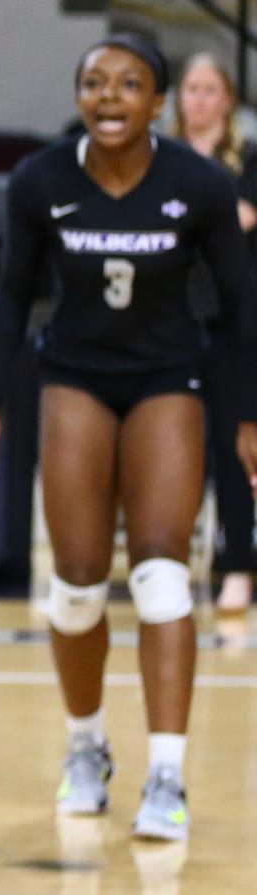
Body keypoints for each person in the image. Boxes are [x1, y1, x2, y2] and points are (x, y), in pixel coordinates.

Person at [0, 34, 257, 844]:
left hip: (168, 378)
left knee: (162, 579)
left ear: (157, 102)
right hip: (75, 378)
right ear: (78, 95)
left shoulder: (200, 184)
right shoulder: (41, 179)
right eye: (94, 82)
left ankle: (167, 773)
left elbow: (240, 304)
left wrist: (248, 416)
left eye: (128, 84)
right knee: (78, 584)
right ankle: (86, 745)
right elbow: (12, 294)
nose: (109, 96)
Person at [166, 51, 257, 614]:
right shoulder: (159, 156)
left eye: (209, 89)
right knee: (173, 448)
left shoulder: (248, 159)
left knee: (234, 445)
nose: (198, 98)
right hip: (171, 317)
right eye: (191, 88)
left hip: (233, 319)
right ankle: (168, 564)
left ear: (227, 100)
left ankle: (237, 567)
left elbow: (238, 222)